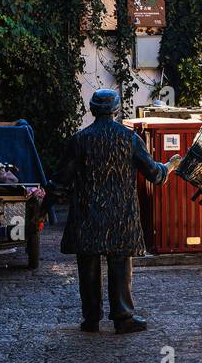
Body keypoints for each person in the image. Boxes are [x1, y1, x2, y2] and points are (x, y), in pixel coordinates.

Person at [55, 89, 179, 334]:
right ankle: (123, 317)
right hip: (120, 214)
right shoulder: (130, 138)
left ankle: (91, 319)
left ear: (92, 110)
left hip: (86, 212)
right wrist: (171, 165)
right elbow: (154, 174)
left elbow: (61, 181)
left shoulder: (79, 140)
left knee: (88, 266)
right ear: (116, 110)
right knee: (120, 263)